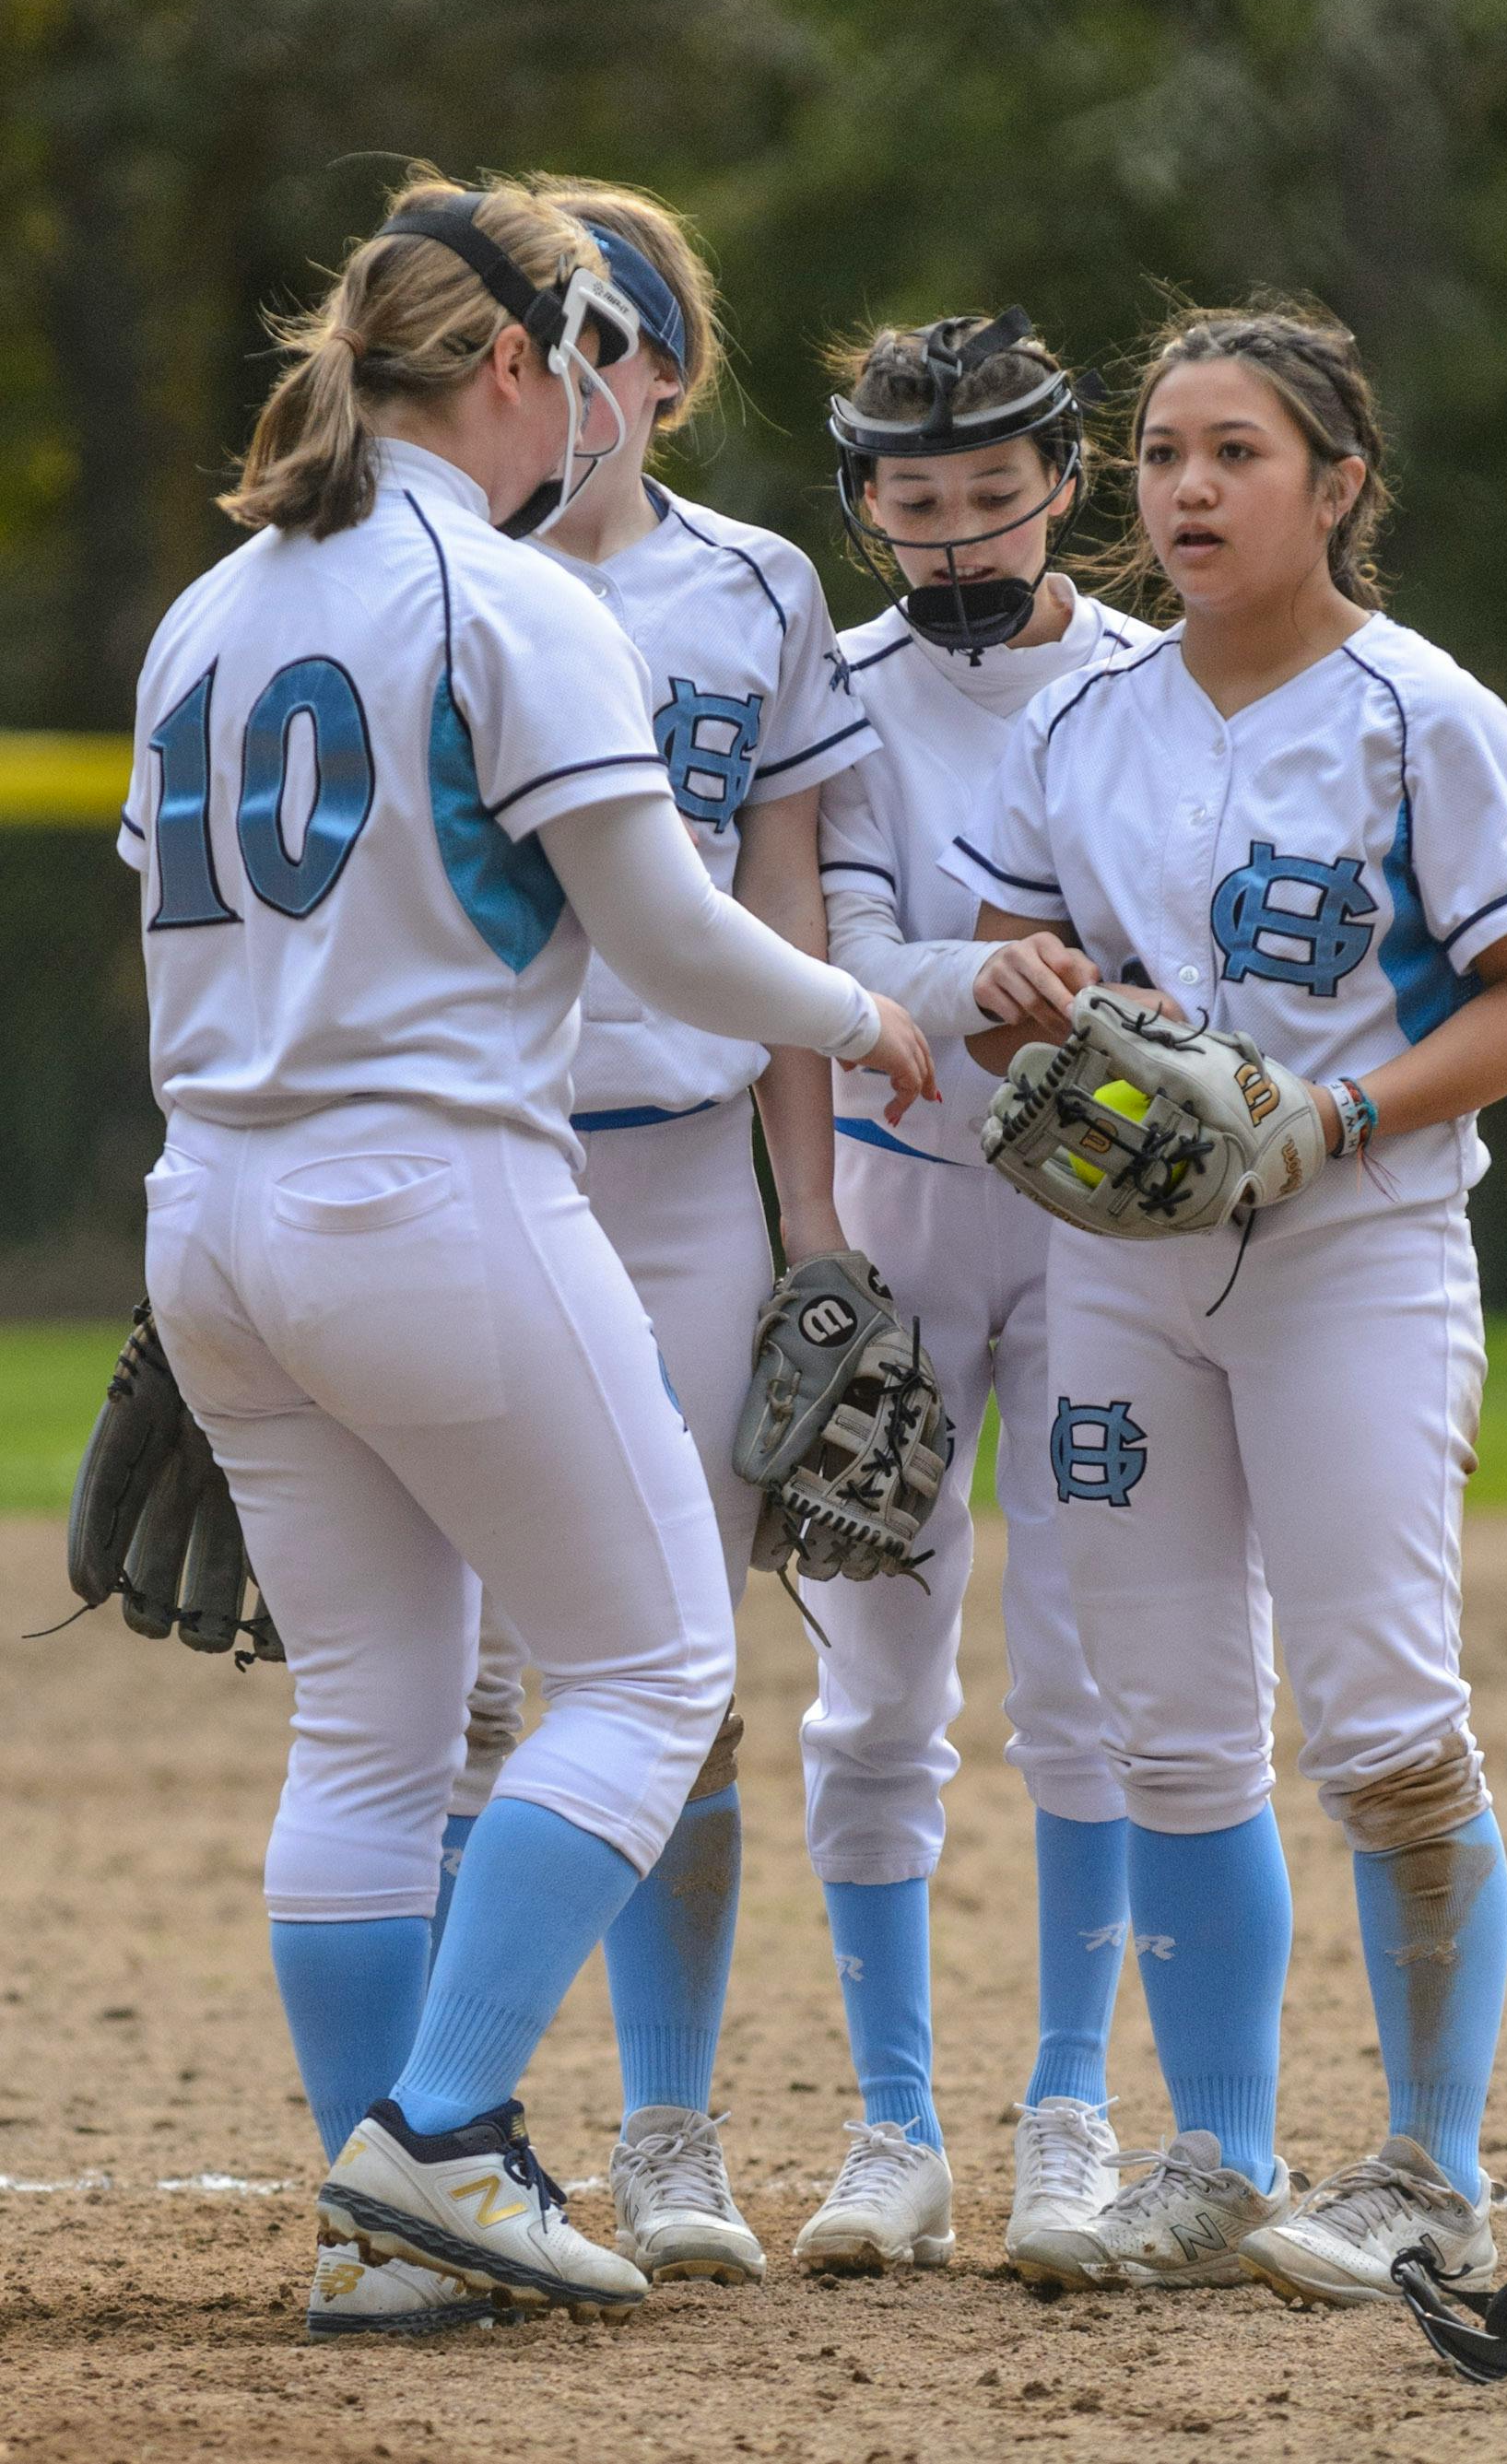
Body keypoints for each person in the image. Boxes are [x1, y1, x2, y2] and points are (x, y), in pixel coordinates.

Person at [118, 170, 932, 2336]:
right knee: (657, 1667)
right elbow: (661, 927)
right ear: (511, 366)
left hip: (213, 1199)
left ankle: (376, 2228)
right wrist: (875, 1021)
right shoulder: (505, 590)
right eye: (575, 364)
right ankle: (445, 2136)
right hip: (432, 1185)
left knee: (374, 1728)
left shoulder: (213, 605)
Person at [946, 298, 1507, 2301]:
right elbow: (999, 950)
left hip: (1353, 1255)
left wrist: (1336, 1114)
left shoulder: (1424, 717)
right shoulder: (1078, 721)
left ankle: (1428, 2162)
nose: (1188, 486)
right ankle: (1220, 2147)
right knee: (1166, 1726)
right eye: (1160, 453)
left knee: (1386, 1718)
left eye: (1234, 451)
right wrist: (1023, 984)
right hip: (1122, 1272)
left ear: (1337, 483)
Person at [428, 178, 887, 2296]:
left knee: (679, 1671)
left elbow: (780, 909)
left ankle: (670, 2122)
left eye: (614, 333)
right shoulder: (429, 574)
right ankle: (443, 2115)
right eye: (549, 330)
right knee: (463, 1686)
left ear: (668, 376)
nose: (574, 369)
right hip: (476, 1163)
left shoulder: (754, 587)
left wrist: (819, 1220)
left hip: (687, 1172)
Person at [789, 311, 1157, 2284]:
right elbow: (834, 934)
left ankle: (1071, 2119)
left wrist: (1072, 982)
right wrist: (975, 980)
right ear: (863, 510)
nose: (952, 543)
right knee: (873, 1692)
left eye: (989, 502)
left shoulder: (1154, 680)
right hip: (899, 1212)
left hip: (1104, 1223)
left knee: (1087, 1684)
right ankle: (892, 2124)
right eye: (913, 509)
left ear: (1060, 485)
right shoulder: (830, 687)